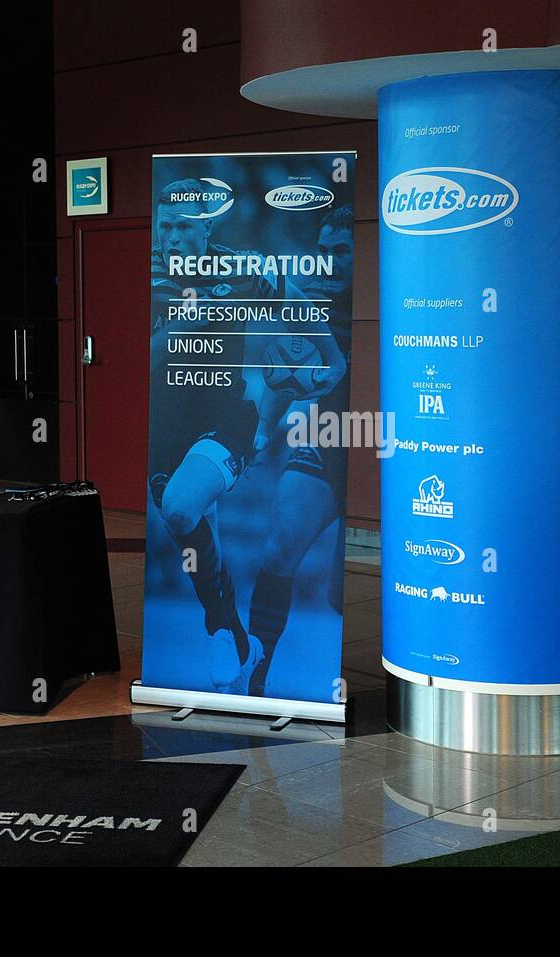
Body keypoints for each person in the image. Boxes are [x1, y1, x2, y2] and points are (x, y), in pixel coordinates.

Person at [147, 179, 345, 693]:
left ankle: (224, 631)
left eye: (183, 226)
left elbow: (300, 304)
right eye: (165, 225)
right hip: (164, 430)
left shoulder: (238, 267)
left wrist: (334, 358)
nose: (171, 236)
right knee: (191, 525)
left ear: (208, 225)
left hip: (225, 420)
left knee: (180, 509)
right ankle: (231, 630)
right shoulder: (144, 278)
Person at [246, 205, 355, 697]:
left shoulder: (388, 297)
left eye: (341, 252)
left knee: (336, 595)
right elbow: (284, 372)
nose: (329, 261)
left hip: (383, 443)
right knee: (277, 549)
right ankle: (254, 672)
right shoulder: (312, 301)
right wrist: (265, 428)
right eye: (324, 251)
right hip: (328, 435)